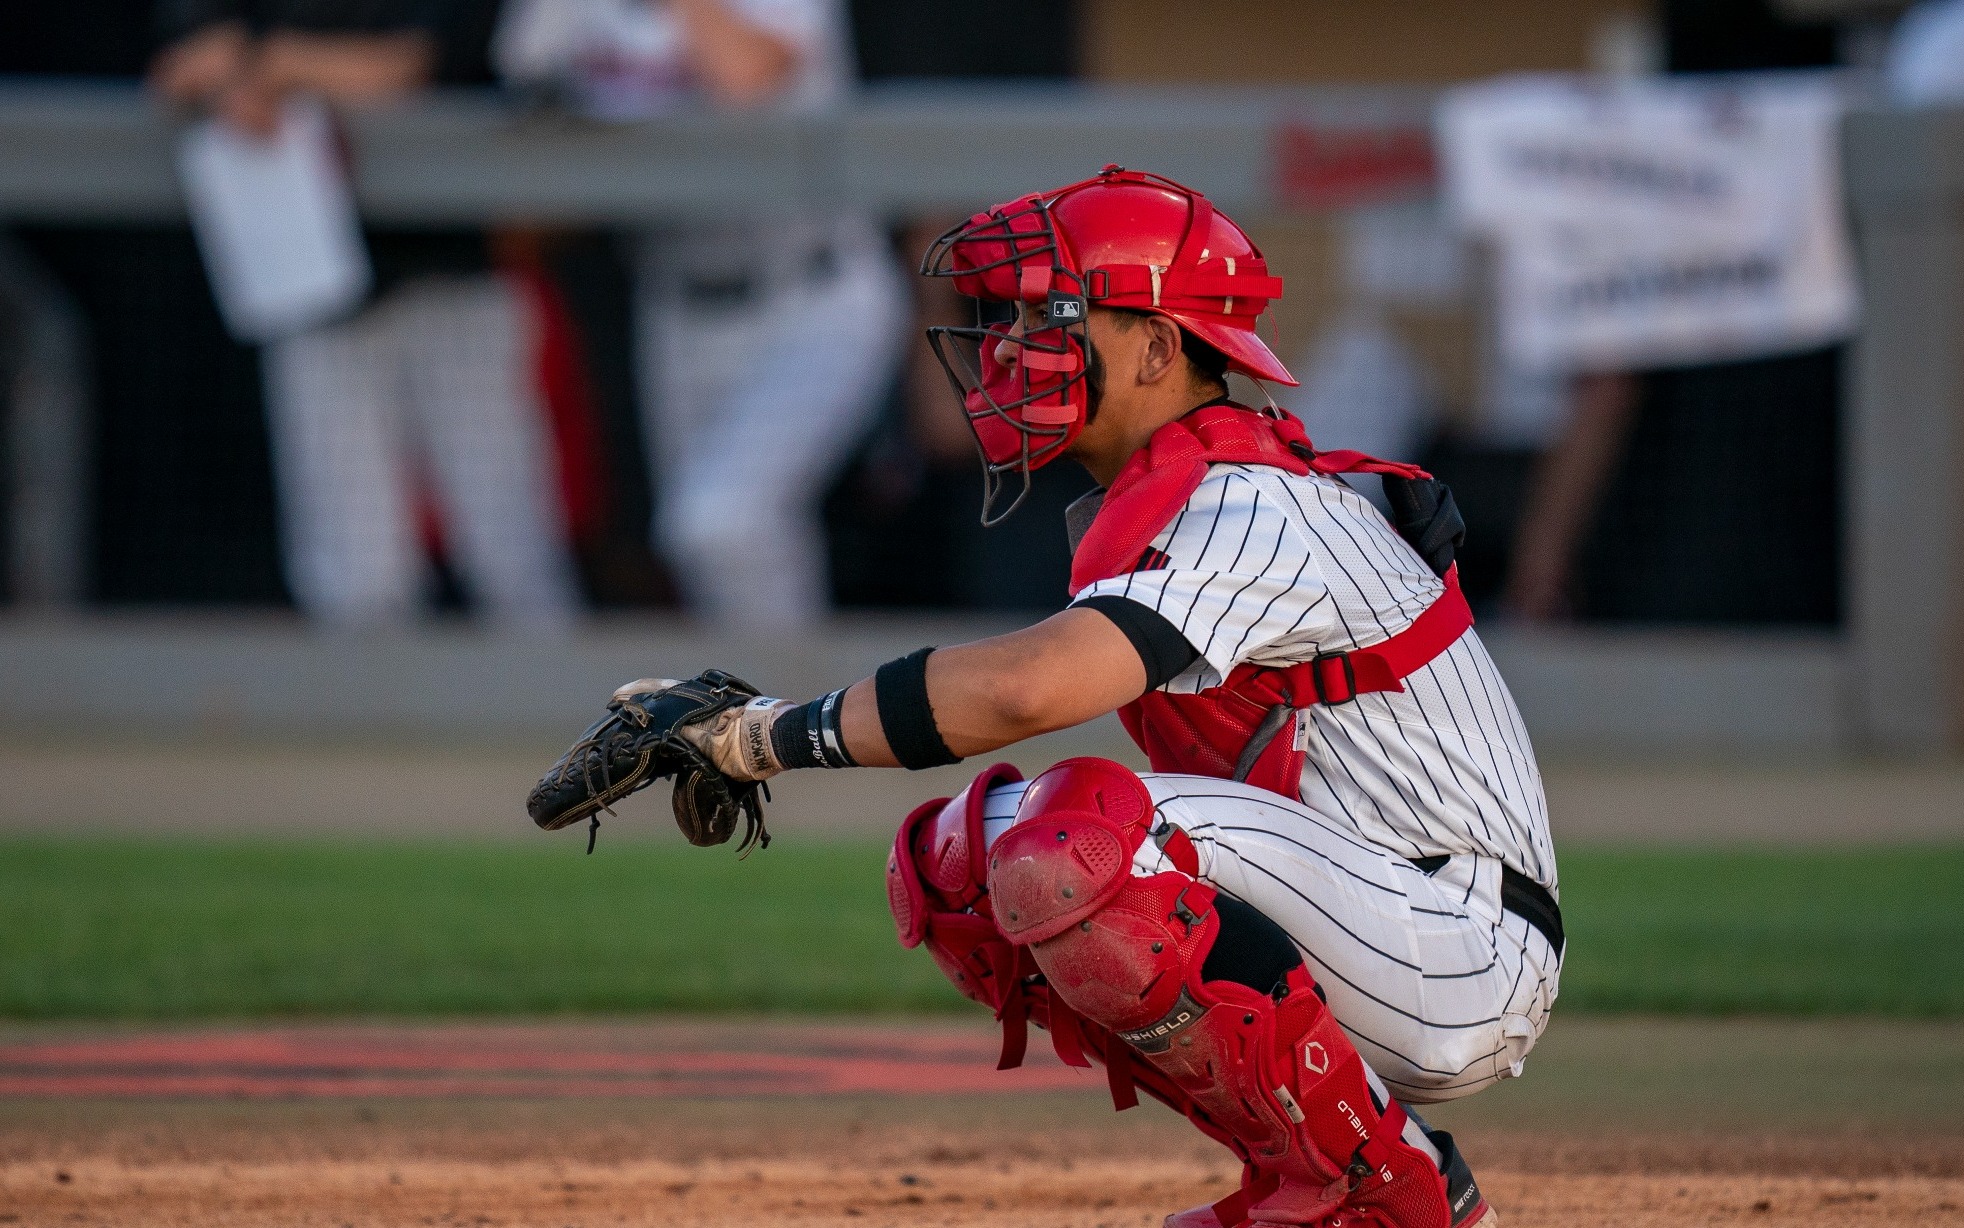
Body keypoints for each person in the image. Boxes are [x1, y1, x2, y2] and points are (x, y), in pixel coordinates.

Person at [570, 168, 1557, 1228]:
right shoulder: (1176, 489)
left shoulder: (1248, 500)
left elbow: (1025, 689)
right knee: (959, 862)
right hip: (1360, 905)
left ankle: (1383, 1193)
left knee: (1075, 841)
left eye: (1058, 312)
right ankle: (1316, 1163)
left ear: (1157, 346)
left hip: (1456, 943)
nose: (1013, 342)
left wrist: (754, 736)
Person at [151, 0, 583, 628]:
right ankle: (381, 723)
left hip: (455, 278)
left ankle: (567, 722)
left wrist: (269, 62)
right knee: (357, 574)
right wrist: (234, 76)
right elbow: (176, 68)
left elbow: (406, 69)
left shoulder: (271, 42)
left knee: (511, 552)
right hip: (313, 289)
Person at [494, 0, 907, 629]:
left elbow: (745, 77)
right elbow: (521, 81)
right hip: (676, 299)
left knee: (719, 525)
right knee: (723, 559)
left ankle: (793, 718)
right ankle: (794, 715)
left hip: (814, 291)